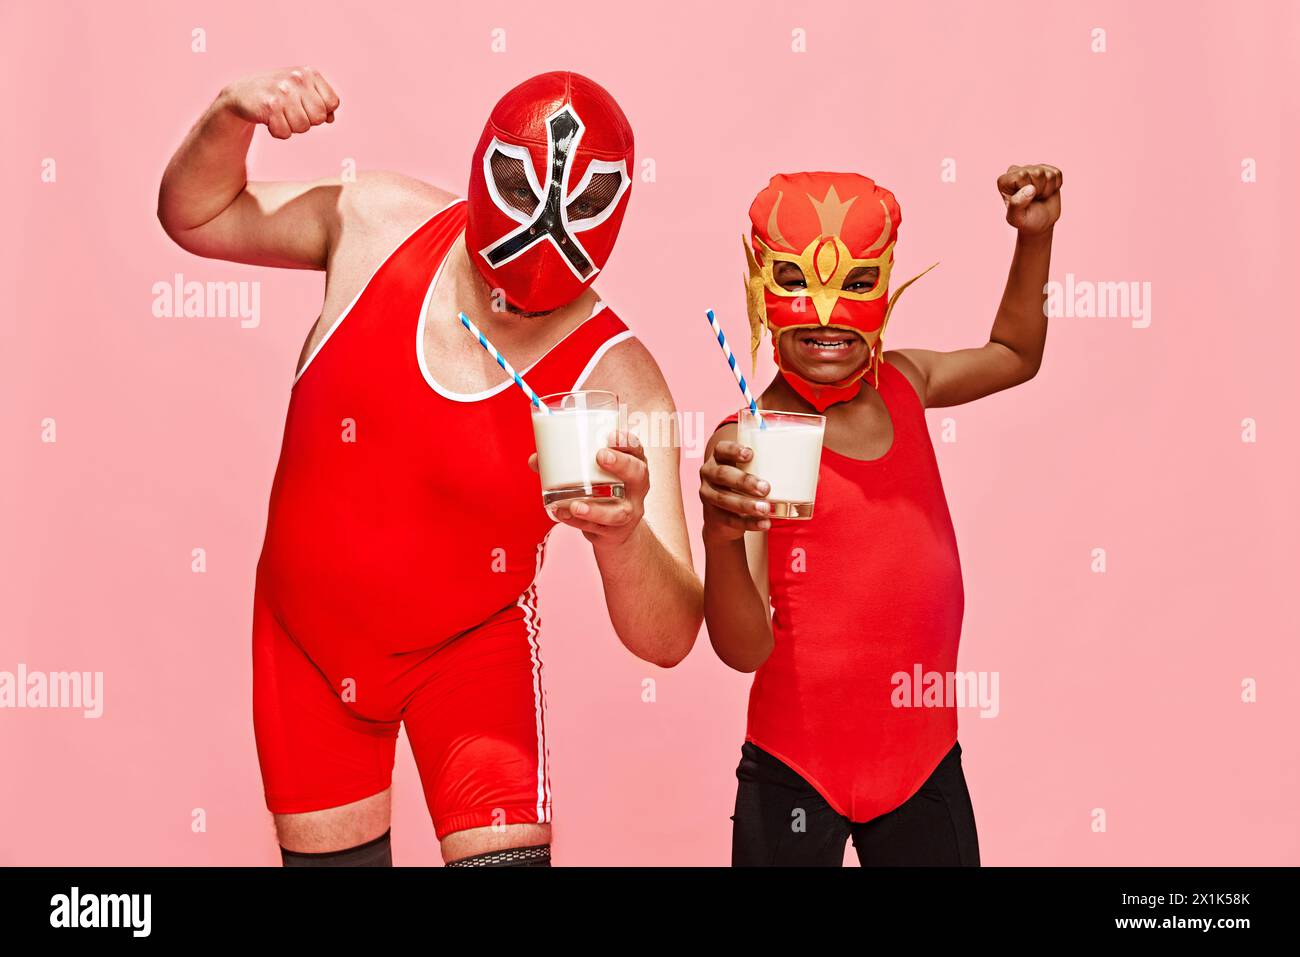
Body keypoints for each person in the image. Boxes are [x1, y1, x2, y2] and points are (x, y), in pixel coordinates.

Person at [158, 68, 703, 867]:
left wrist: (621, 537)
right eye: (495, 286)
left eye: (538, 306)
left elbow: (670, 637)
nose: (512, 310)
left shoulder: (618, 379)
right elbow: (194, 214)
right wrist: (229, 113)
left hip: (470, 663)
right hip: (305, 654)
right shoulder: (377, 222)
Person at [699, 167, 1061, 865]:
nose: (828, 316)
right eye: (799, 284)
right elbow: (743, 650)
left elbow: (1016, 354)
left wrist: (1035, 240)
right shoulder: (746, 445)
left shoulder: (907, 382)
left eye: (856, 285)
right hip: (793, 769)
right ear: (761, 288)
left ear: (886, 287)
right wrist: (721, 534)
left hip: (922, 764)